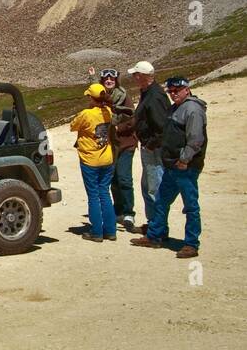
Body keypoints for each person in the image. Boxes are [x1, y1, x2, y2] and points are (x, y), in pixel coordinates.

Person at [131, 76, 207, 258]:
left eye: (177, 91)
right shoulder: (175, 108)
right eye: (171, 91)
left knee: (190, 206)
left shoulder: (192, 109)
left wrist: (184, 159)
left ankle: (191, 244)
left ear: (186, 89)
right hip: (172, 165)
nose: (173, 94)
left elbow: (196, 139)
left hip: (185, 167)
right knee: (161, 200)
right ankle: (155, 235)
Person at [88, 66, 136, 230]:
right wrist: (92, 77)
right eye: (106, 79)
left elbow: (132, 119)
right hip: (110, 146)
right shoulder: (101, 99)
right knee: (113, 179)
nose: (109, 81)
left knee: (124, 178)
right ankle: (118, 210)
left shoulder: (123, 97)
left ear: (116, 81)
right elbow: (94, 94)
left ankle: (129, 212)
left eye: (112, 79)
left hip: (125, 143)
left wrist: (118, 128)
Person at [125, 60, 171, 234]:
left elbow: (162, 126)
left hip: (153, 148)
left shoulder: (155, 96)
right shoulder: (148, 93)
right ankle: (153, 224)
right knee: (147, 186)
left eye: (136, 75)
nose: (134, 78)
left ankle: (157, 230)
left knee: (154, 187)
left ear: (144, 76)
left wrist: (151, 144)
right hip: (148, 146)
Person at [70, 83, 116, 242]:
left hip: (90, 159)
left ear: (91, 98)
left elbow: (72, 126)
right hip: (107, 158)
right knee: (105, 192)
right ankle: (110, 230)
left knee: (93, 195)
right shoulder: (108, 112)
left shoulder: (86, 114)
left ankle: (96, 231)